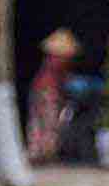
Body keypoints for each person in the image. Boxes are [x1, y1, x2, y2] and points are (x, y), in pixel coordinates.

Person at [27, 27, 78, 165]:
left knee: (37, 123)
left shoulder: (49, 60)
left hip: (38, 90)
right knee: (49, 125)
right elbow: (62, 80)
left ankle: (35, 154)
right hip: (48, 93)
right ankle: (45, 155)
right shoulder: (58, 61)